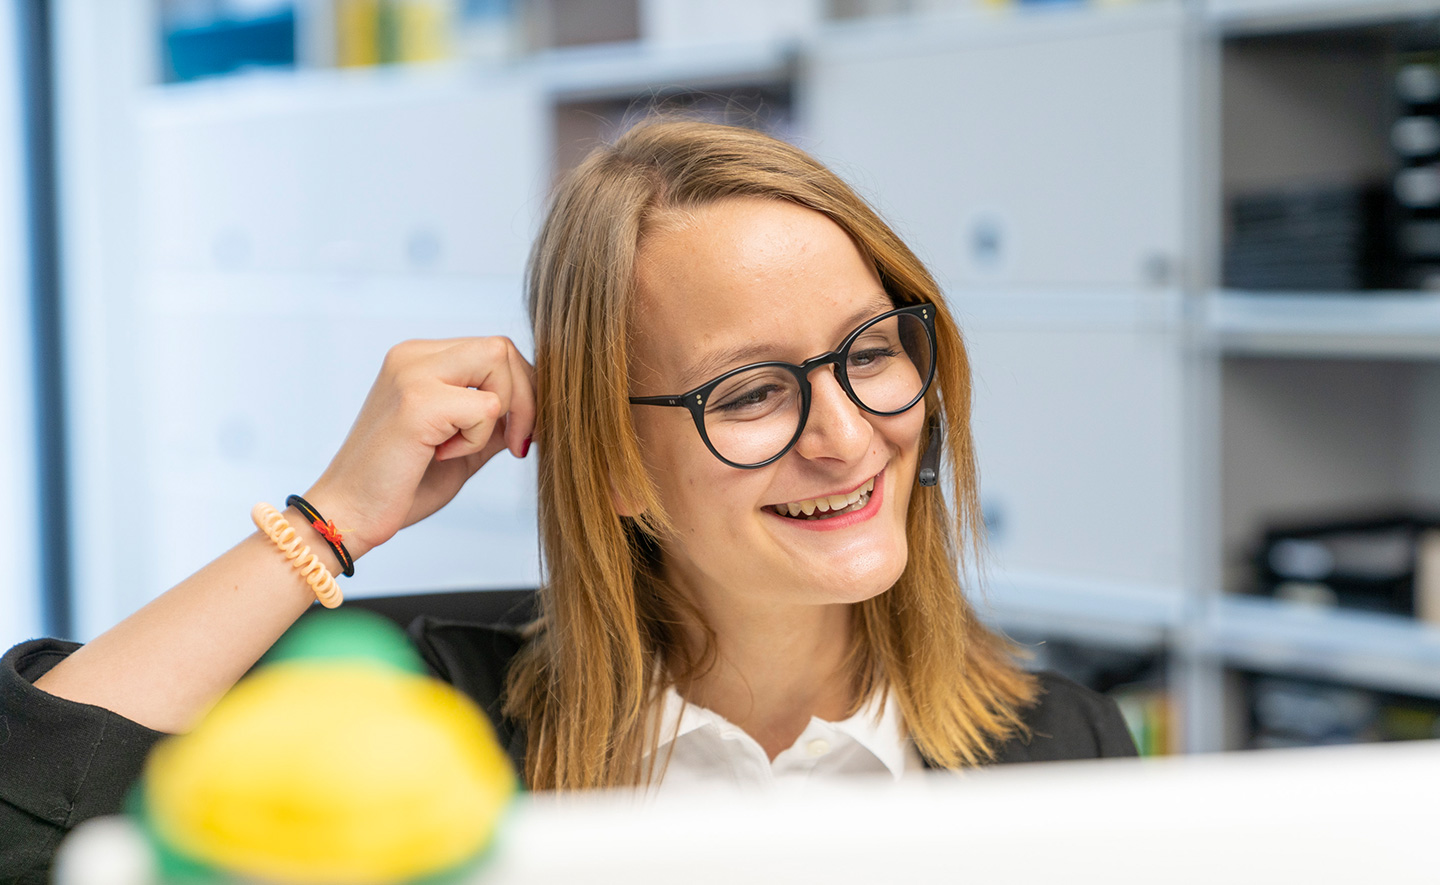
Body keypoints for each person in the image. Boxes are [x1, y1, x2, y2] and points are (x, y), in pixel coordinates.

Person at [0, 119, 1135, 877]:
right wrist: (333, 520)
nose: (846, 438)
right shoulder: (434, 714)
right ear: (614, 461)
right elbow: (29, 813)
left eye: (872, 352)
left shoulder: (1053, 739)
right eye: (749, 394)